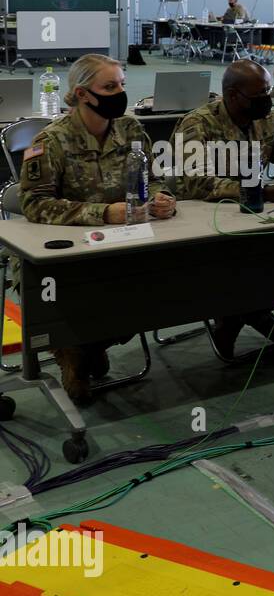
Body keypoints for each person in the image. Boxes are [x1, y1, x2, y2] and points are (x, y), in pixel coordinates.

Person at [19, 54, 176, 404]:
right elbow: (33, 204)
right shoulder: (52, 140)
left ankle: (89, 345)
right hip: (61, 251)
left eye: (121, 84)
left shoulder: (131, 129)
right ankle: (72, 349)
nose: (119, 92)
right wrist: (103, 213)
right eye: (109, 86)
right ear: (82, 94)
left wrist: (163, 197)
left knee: (160, 286)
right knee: (75, 293)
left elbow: (156, 178)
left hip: (125, 240)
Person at [173, 60, 274, 359]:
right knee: (246, 263)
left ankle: (243, 316)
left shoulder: (270, 120)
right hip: (207, 224)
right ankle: (254, 317)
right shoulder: (197, 124)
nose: (266, 99)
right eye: (258, 95)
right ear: (231, 95)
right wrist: (262, 191)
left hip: (257, 219)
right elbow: (193, 182)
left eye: (268, 91)